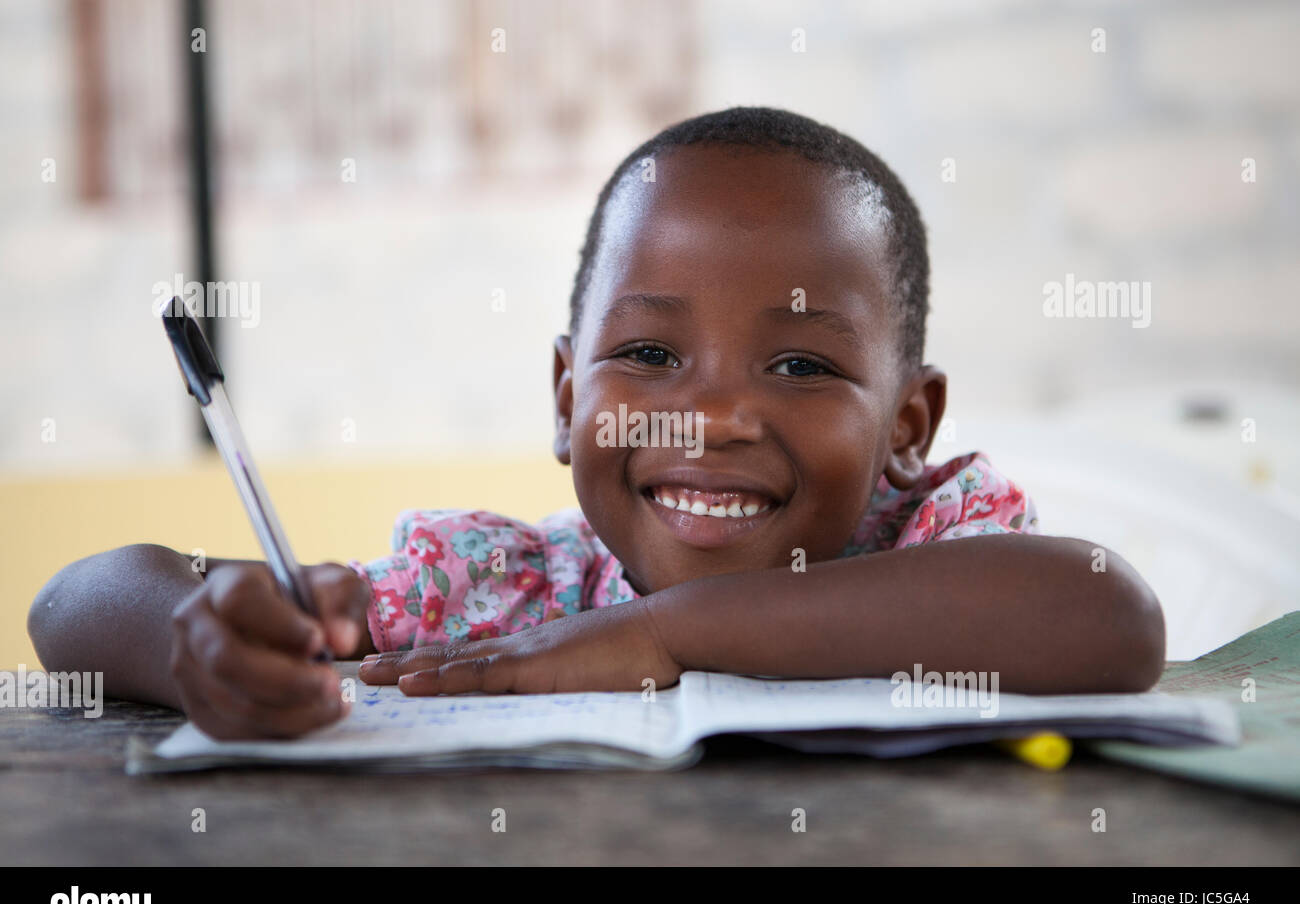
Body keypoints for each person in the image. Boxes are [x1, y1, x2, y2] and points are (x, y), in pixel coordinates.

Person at [27, 107, 1165, 740]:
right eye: (649, 353)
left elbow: (1108, 614)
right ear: (568, 402)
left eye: (800, 361)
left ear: (909, 422)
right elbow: (72, 601)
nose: (713, 412)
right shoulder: (501, 594)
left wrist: (670, 632)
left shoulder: (933, 547)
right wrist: (201, 636)